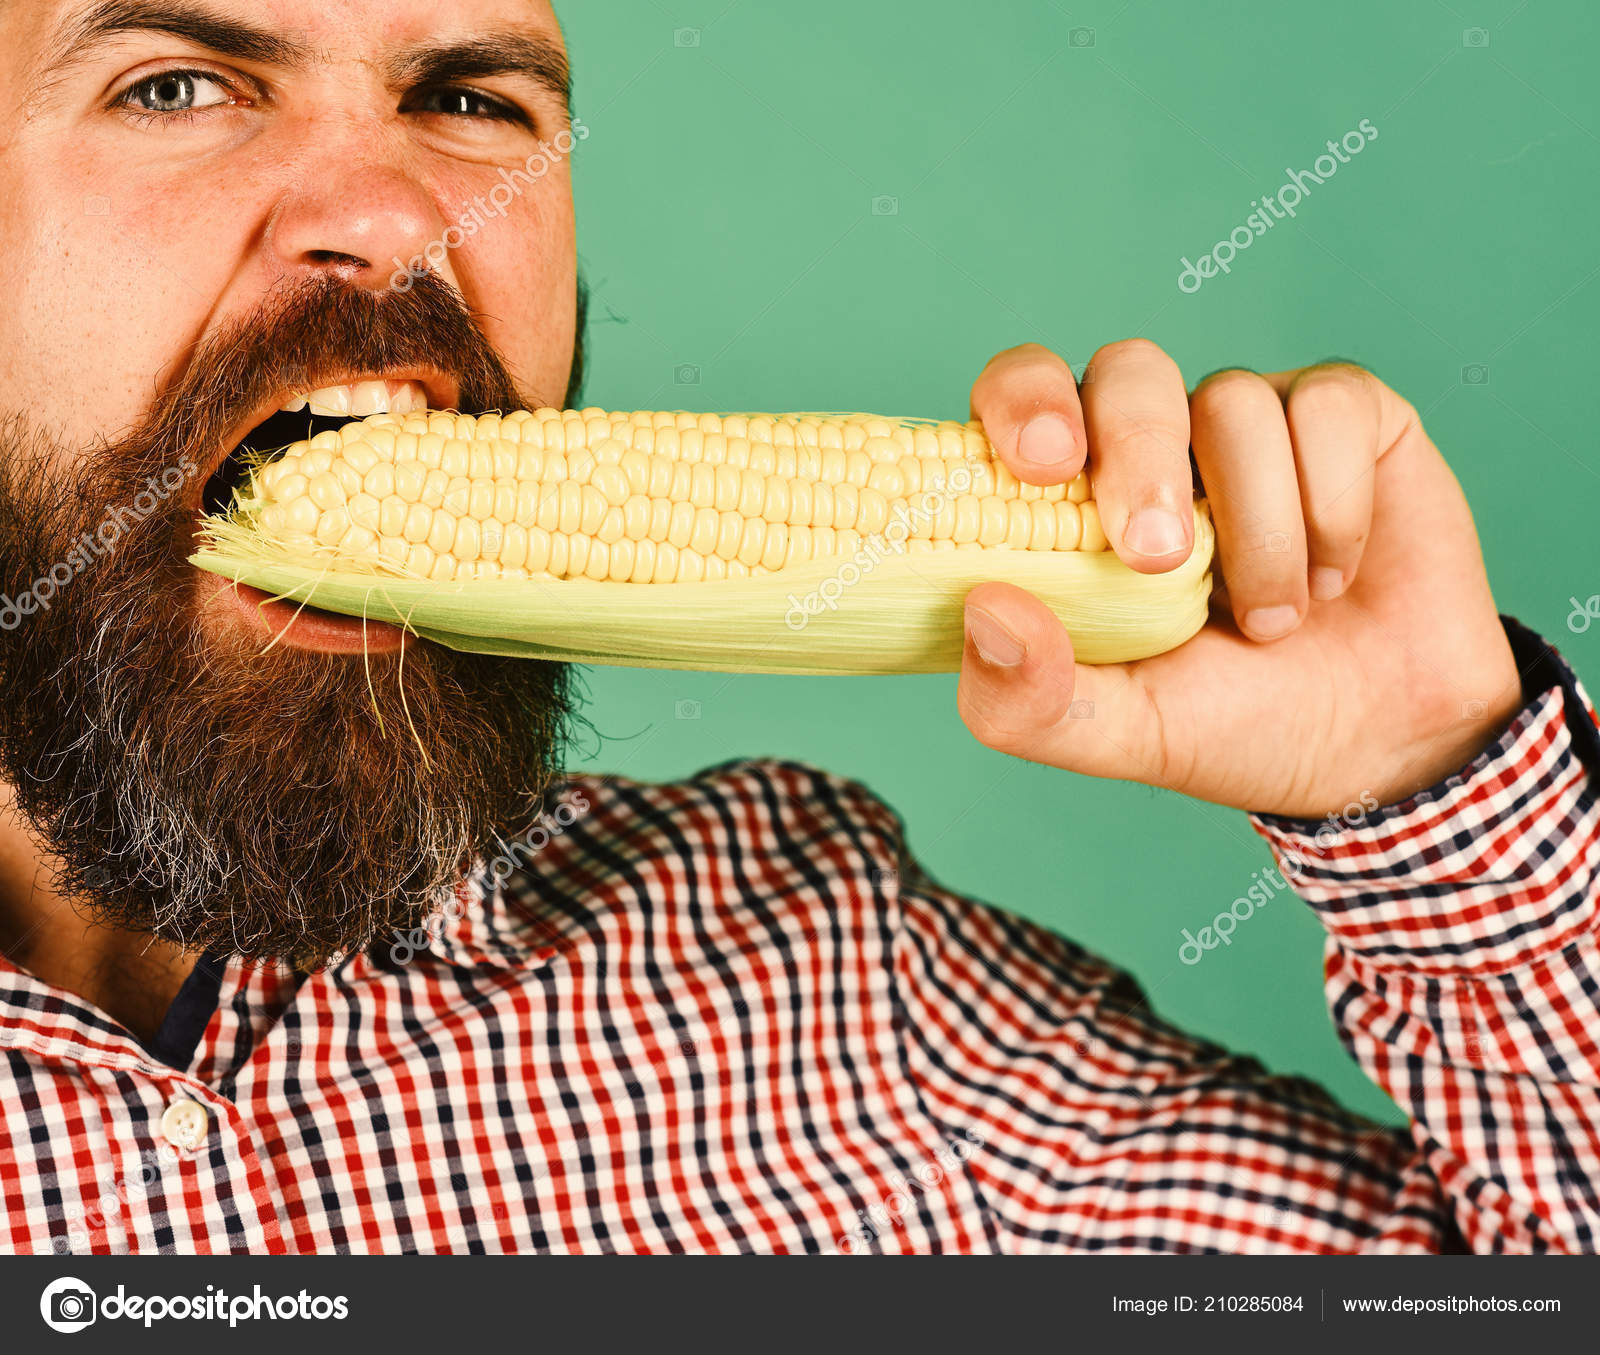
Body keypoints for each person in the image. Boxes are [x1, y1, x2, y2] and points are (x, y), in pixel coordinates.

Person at [0, 0, 1592, 1255]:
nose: (397, 219)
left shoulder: (821, 971)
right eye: (176, 86)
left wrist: (1432, 782)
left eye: (470, 103)